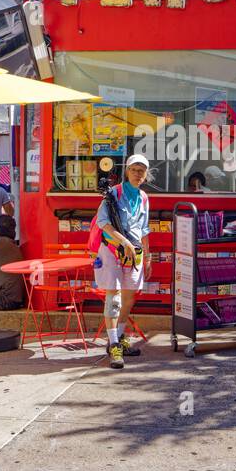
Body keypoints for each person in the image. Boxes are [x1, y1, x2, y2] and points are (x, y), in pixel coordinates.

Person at [93, 154, 151, 369]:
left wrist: (148, 255)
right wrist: (124, 242)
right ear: (127, 171)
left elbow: (144, 228)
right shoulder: (114, 194)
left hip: (134, 253)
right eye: (135, 169)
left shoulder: (144, 197)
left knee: (129, 297)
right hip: (111, 250)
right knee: (114, 297)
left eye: (142, 170)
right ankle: (114, 344)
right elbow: (103, 223)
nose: (138, 174)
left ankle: (119, 336)